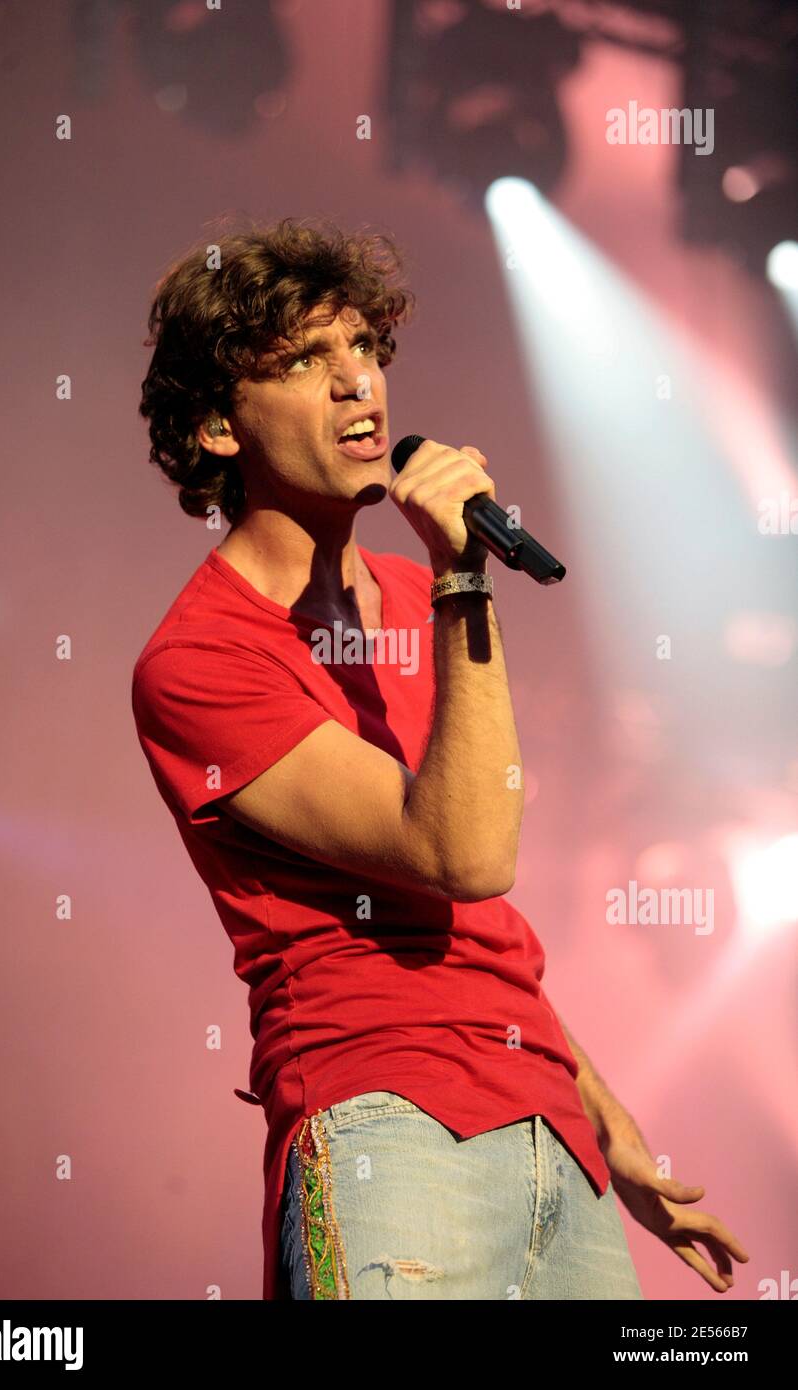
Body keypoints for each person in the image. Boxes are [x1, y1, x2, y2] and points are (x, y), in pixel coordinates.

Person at [131, 216, 748, 1300]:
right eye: (305, 362)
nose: (357, 384)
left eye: (364, 349)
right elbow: (460, 849)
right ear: (216, 427)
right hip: (387, 1127)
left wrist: (601, 1119)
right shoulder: (198, 661)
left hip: (548, 1128)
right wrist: (467, 573)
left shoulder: (420, 596)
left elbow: (475, 924)